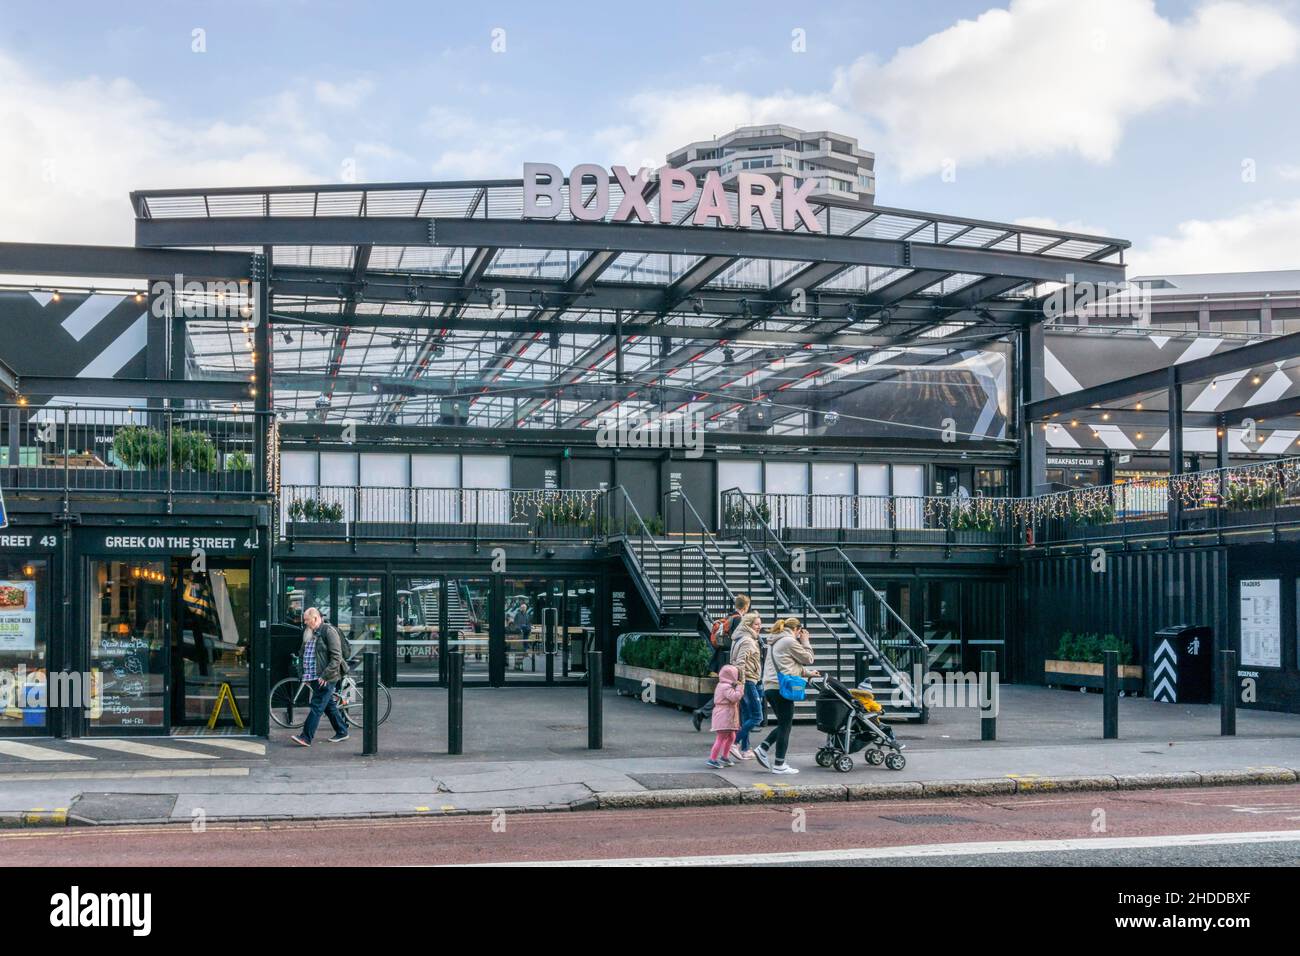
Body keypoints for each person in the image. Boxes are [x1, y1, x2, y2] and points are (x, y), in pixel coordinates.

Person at [753, 618, 817, 775]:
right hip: (781, 688)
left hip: (771, 686)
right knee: (786, 726)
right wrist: (806, 641)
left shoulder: (775, 641)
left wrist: (808, 674)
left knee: (784, 723)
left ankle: (763, 748)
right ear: (796, 629)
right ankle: (779, 764)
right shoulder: (789, 641)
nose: (799, 635)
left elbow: (788, 665)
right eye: (800, 632)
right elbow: (808, 658)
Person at [290, 607, 350, 747]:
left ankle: (306, 737)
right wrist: (303, 676)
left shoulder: (328, 631)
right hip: (313, 677)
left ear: (315, 618)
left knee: (316, 706)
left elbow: (336, 657)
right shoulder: (309, 633)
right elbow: (303, 654)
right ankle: (342, 731)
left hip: (326, 678)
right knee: (329, 706)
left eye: (307, 620)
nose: (305, 623)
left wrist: (325, 676)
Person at [692, 594, 750, 731]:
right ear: (746, 606)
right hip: (730, 658)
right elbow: (738, 640)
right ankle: (705, 714)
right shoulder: (739, 619)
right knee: (732, 688)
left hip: (722, 657)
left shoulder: (731, 617)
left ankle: (703, 713)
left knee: (725, 689)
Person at [728, 611, 763, 760]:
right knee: (757, 717)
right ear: (748, 625)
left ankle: (745, 748)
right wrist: (742, 683)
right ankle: (734, 743)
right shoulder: (748, 641)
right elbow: (740, 663)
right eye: (756, 624)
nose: (759, 627)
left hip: (746, 680)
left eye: (760, 624)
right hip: (748, 681)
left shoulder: (738, 638)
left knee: (747, 716)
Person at [707, 664, 744, 769]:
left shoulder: (722, 685)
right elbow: (734, 697)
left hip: (727, 714)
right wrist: (740, 687)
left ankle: (725, 757)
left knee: (732, 736)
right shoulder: (726, 686)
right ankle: (712, 759)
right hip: (724, 714)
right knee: (721, 737)